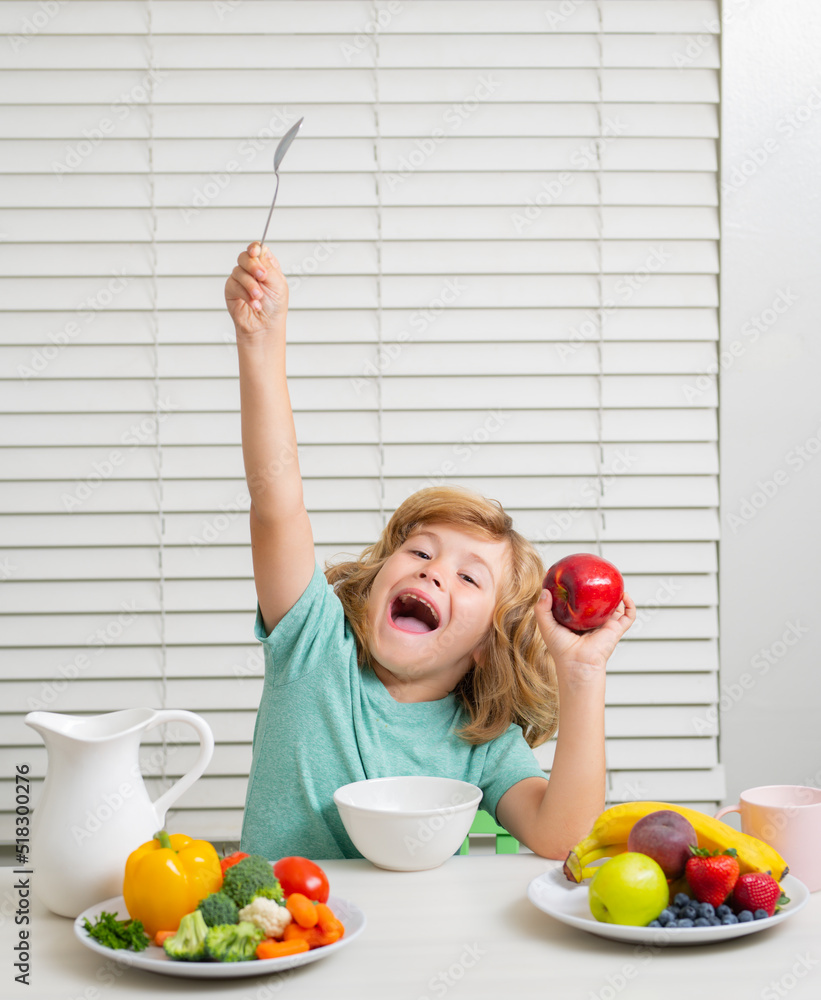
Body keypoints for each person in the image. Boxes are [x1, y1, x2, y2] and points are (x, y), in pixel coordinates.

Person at [225, 242, 636, 861]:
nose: (434, 572)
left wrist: (583, 675)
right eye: (420, 551)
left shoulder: (483, 741)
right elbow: (277, 504)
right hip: (287, 936)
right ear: (380, 576)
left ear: (490, 640)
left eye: (470, 579)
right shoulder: (313, 647)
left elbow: (563, 838)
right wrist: (262, 343)